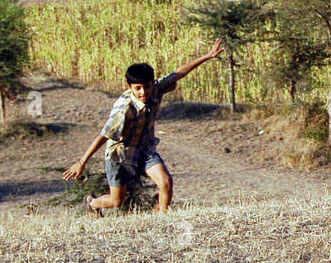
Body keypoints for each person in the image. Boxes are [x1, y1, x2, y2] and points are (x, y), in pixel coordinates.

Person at [63, 39, 224, 215]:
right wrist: (81, 162)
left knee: (166, 182)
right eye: (138, 88)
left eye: (146, 87)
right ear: (129, 87)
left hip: (144, 148)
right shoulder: (124, 111)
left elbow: (178, 73)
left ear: (153, 83)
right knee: (117, 201)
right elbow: (103, 135)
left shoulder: (156, 89)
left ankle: (161, 219)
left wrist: (207, 56)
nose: (143, 92)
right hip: (120, 154)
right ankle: (93, 203)